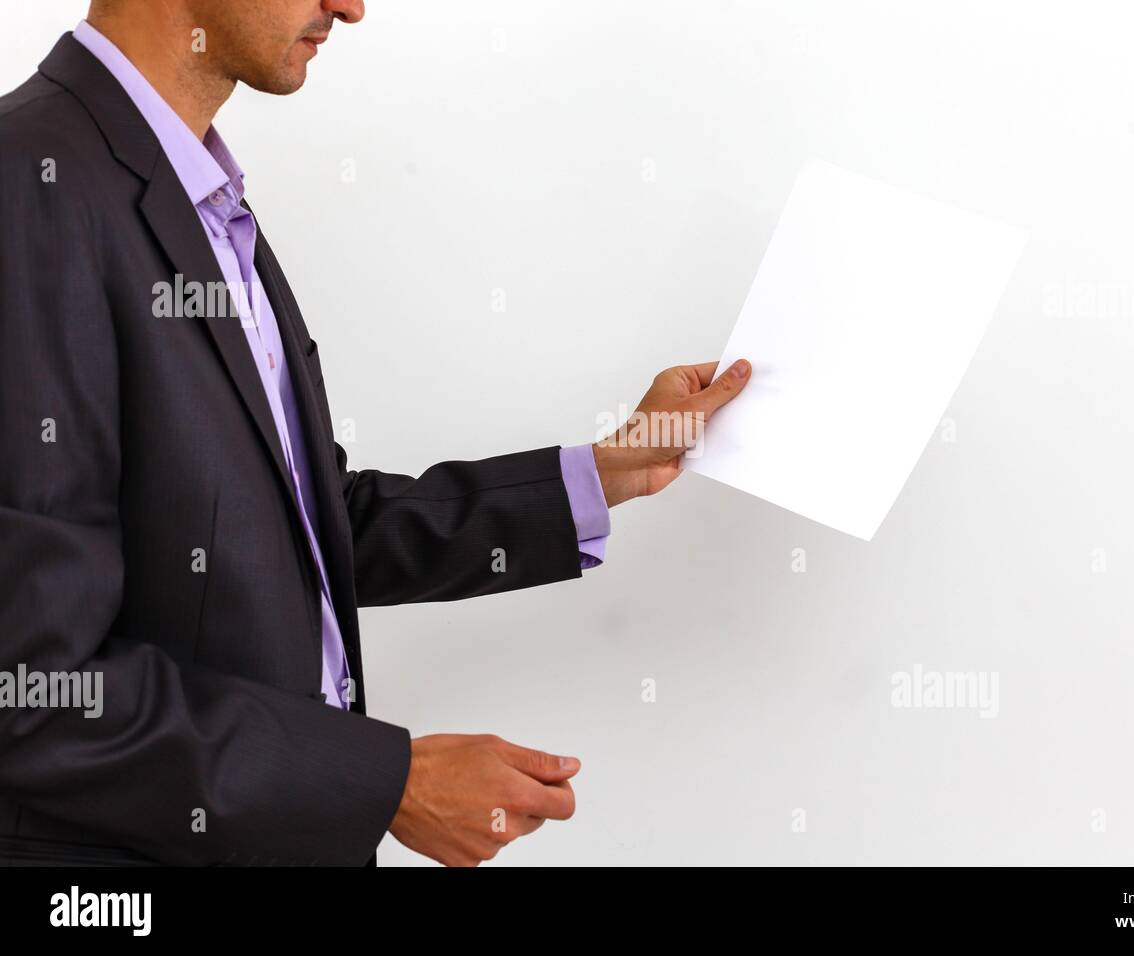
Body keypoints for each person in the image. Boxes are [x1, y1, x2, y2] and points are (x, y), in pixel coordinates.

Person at [0, 0, 751, 866]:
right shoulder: (31, 183)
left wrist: (608, 469)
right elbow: (36, 689)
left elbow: (309, 526)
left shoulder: (199, 196)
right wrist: (383, 783)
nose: (352, 7)